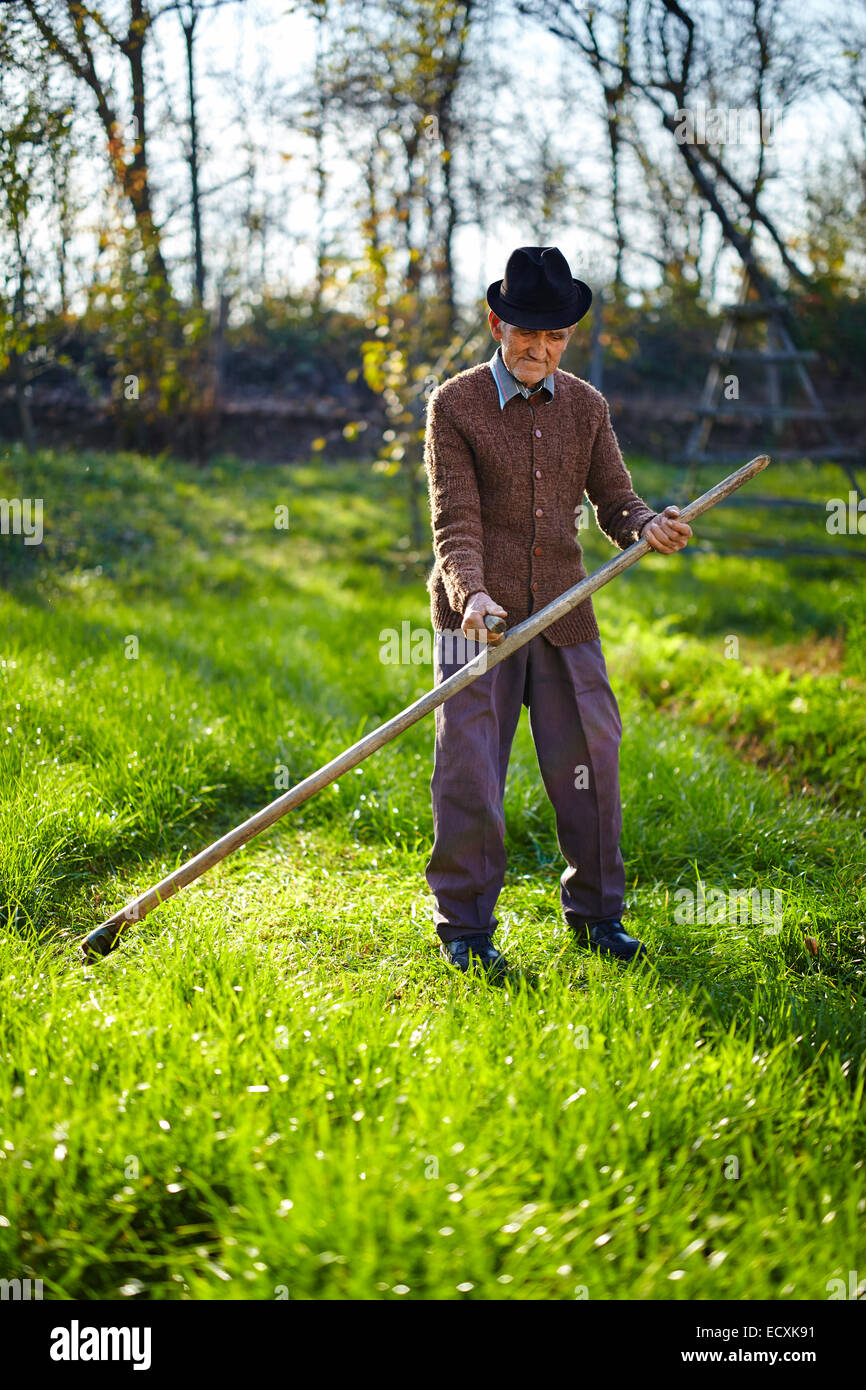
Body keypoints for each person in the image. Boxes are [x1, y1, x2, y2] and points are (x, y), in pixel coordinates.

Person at [423, 245, 691, 976]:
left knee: (591, 761)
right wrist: (472, 593)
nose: (541, 349)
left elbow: (615, 497)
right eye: (526, 334)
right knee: (470, 769)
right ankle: (466, 928)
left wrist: (645, 525)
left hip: (567, 614)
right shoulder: (454, 406)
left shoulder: (587, 406)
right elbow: (455, 521)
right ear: (496, 324)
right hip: (475, 620)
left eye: (556, 336)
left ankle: (599, 917)